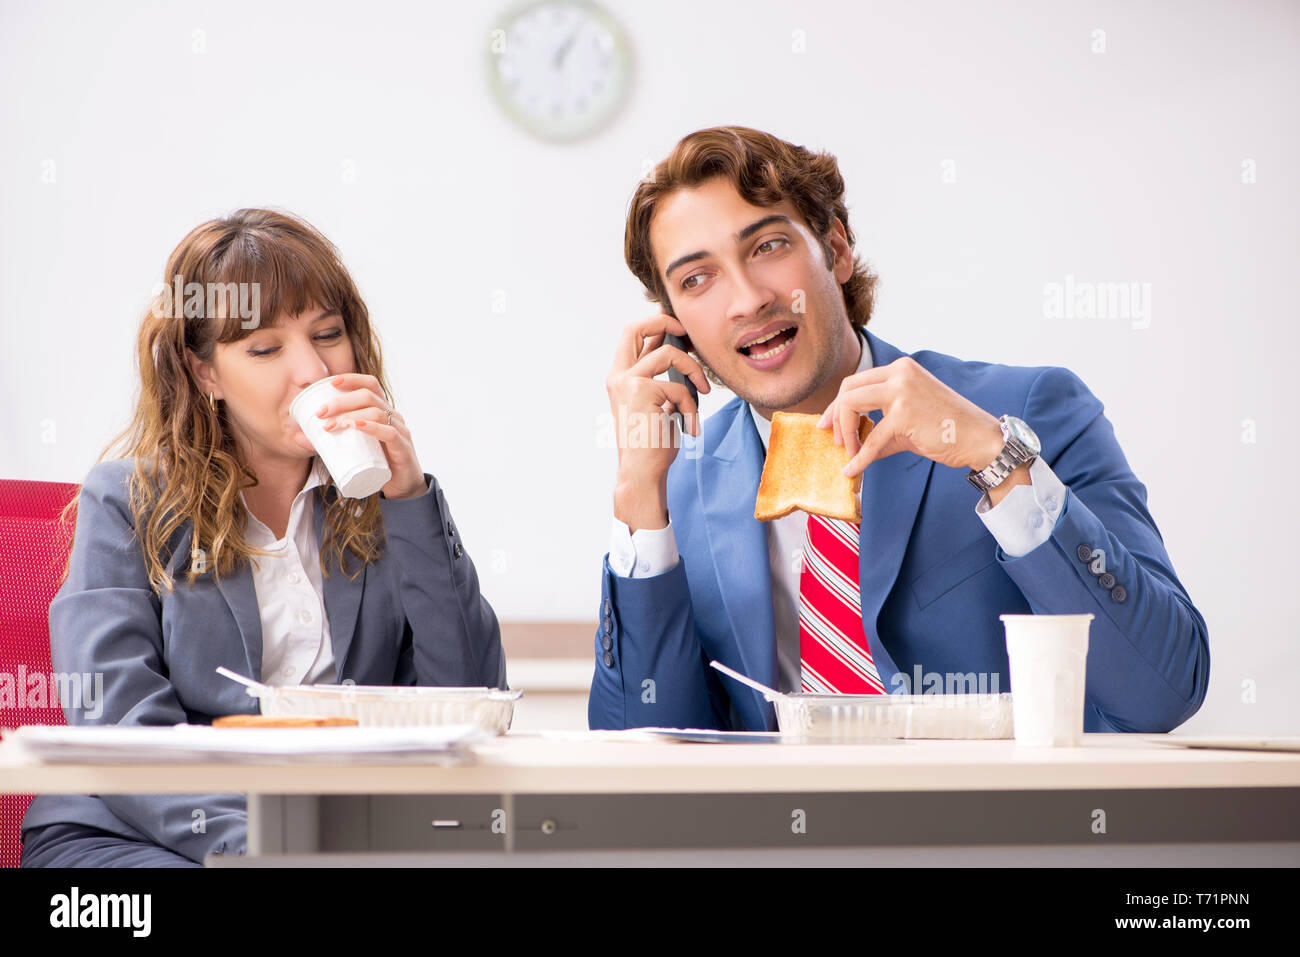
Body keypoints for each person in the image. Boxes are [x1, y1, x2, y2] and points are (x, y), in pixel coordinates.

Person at [590, 126, 1209, 733]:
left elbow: (1162, 693)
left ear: (835, 250)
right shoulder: (678, 489)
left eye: (768, 246)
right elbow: (641, 758)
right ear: (675, 327)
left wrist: (999, 463)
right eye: (697, 279)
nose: (746, 300)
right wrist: (638, 495)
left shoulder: (1026, 412)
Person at [21, 208, 506, 866]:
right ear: (205, 374)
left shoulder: (389, 508)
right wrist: (267, 849)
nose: (311, 369)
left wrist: (411, 501)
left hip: (331, 838)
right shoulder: (127, 500)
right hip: (137, 834)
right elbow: (123, 732)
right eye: (265, 348)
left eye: (328, 334)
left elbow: (470, 705)